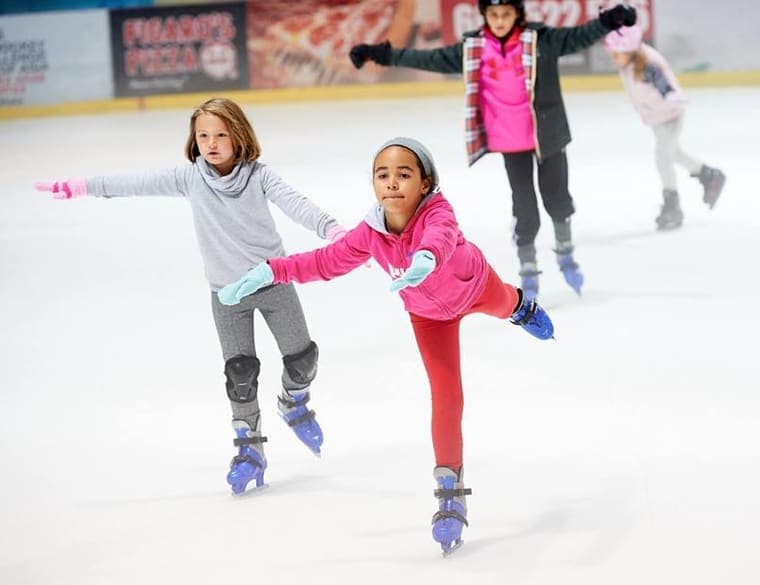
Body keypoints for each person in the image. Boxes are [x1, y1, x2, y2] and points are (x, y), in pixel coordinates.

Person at [217, 137, 555, 556]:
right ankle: (450, 489)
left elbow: (441, 237)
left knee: (506, 301)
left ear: (425, 182)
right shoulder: (371, 233)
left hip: (475, 286)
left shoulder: (438, 211)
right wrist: (272, 271)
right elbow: (325, 262)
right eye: (383, 175)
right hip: (429, 317)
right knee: (446, 394)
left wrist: (425, 260)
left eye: (404, 174)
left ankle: (522, 307)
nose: (392, 183)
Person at [34, 98, 346, 495]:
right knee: (240, 374)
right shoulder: (190, 179)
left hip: (273, 283)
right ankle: (250, 449)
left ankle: (294, 402)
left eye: (220, 134)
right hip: (227, 294)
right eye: (203, 136)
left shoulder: (258, 176)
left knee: (302, 360)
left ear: (240, 135)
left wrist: (332, 230)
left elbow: (297, 205)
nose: (211, 143)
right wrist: (80, 187)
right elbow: (134, 183)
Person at [348, 0, 638, 301]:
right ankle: (528, 266)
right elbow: (430, 58)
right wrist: (379, 54)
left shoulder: (540, 41)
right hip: (511, 142)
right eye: (494, 15)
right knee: (524, 206)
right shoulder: (474, 49)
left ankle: (565, 253)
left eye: (506, 14)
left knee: (558, 197)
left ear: (518, 15)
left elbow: (578, 37)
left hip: (548, 137)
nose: (500, 20)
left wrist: (610, 21)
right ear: (485, 16)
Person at [603, 24, 726, 230]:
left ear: (630, 51)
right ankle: (710, 176)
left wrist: (671, 96)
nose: (613, 59)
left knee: (663, 158)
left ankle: (672, 205)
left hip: (670, 116)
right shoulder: (630, 63)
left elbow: (663, 84)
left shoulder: (647, 65)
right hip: (658, 117)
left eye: (617, 54)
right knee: (674, 153)